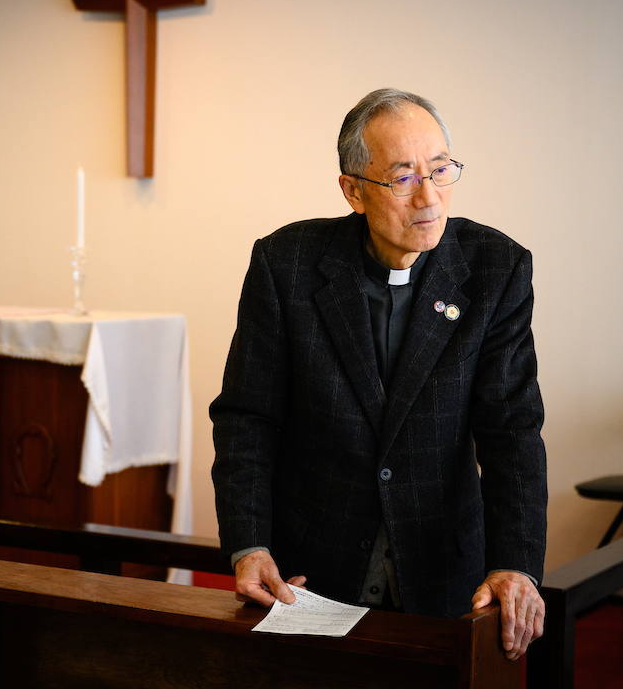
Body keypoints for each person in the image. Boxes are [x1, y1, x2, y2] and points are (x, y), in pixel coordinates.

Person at [210, 88, 546, 660]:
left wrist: (516, 563)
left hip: (444, 570)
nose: (430, 197)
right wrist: (248, 544)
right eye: (404, 178)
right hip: (311, 571)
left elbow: (511, 429)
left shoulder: (496, 268)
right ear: (353, 190)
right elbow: (248, 416)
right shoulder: (285, 264)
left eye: (441, 170)